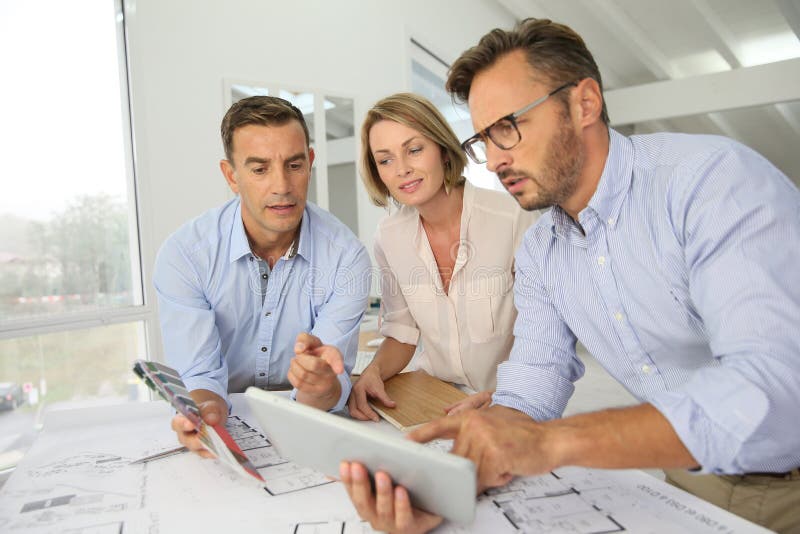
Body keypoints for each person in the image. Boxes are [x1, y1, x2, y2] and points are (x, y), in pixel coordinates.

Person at [341, 18, 800, 533]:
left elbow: (776, 390)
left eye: (508, 128)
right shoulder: (544, 248)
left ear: (584, 103)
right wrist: (454, 482)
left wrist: (553, 441)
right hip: (687, 477)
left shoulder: (711, 183)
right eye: (484, 139)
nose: (494, 160)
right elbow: (536, 381)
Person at [153, 96, 371, 456]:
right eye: (259, 169)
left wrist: (321, 385)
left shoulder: (347, 259)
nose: (282, 185)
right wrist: (204, 413)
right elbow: (199, 376)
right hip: (227, 422)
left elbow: (332, 389)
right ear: (231, 175)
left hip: (307, 427)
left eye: (294, 165)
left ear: (310, 163)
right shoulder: (185, 255)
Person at [347, 93, 538, 422]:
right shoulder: (389, 237)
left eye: (414, 149)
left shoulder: (512, 218)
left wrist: (508, 396)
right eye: (385, 160)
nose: (403, 170)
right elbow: (402, 332)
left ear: (441, 149)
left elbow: (544, 333)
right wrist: (374, 371)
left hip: (511, 403)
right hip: (434, 400)